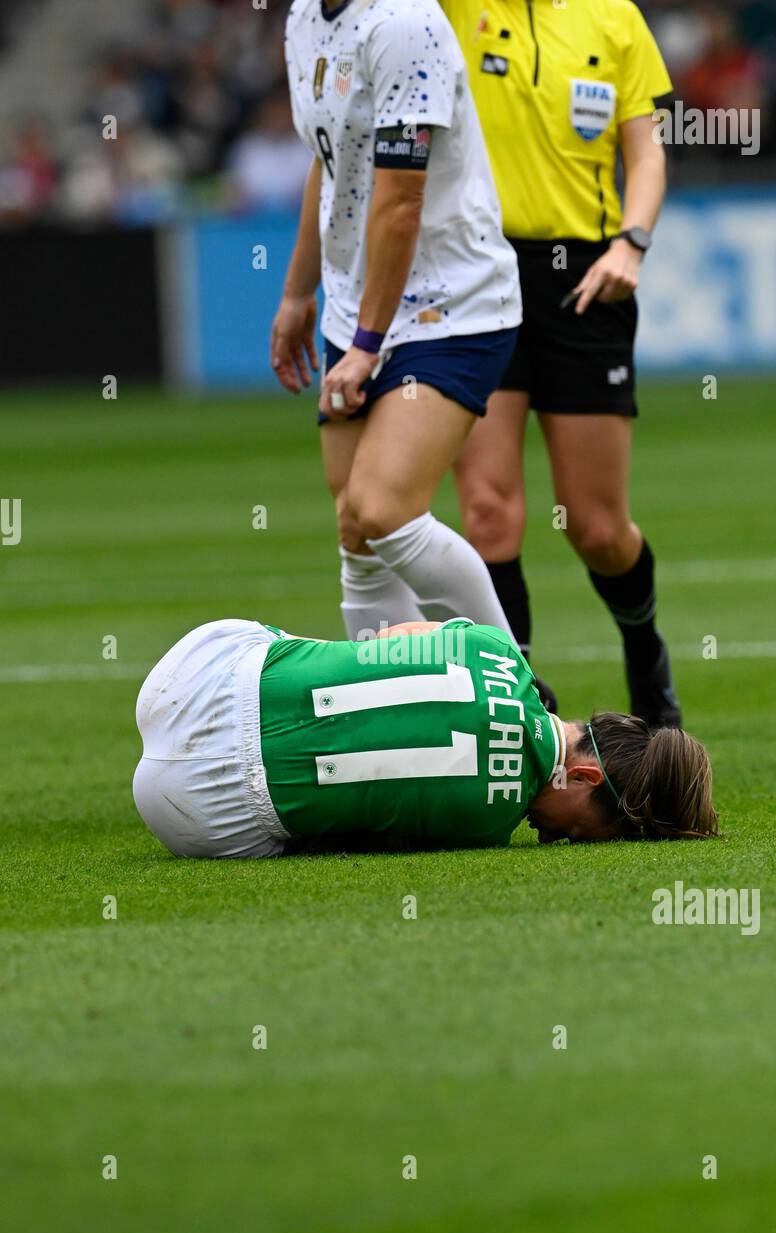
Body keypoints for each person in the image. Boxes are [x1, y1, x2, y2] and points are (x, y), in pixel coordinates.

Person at [441, 0, 681, 726]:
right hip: (477, 272)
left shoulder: (614, 19)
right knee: (487, 514)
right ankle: (517, 705)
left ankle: (644, 650)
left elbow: (645, 151)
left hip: (586, 277)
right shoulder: (452, 9)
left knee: (597, 529)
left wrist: (630, 243)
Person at [271, 0, 522, 644]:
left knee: (385, 509)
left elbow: (401, 200)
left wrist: (365, 345)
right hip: (358, 307)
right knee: (356, 529)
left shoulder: (405, 24)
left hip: (450, 305)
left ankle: (519, 693)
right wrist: (300, 293)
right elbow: (328, 165)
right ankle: (399, 716)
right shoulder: (304, 18)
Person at [132, 616, 718, 859]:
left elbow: (383, 649)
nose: (552, 840)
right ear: (587, 776)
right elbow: (353, 833)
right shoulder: (485, 829)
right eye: (580, 833)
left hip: (192, 673)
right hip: (196, 811)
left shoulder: (493, 646)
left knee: (327, 653)